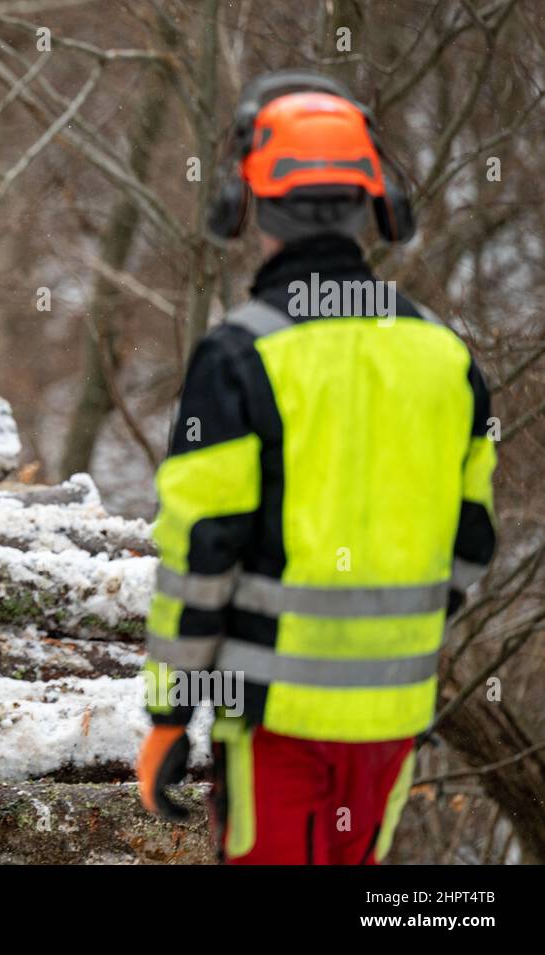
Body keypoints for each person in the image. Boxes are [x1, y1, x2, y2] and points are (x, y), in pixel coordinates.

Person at [135, 71, 497, 864]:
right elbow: (474, 543)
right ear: (376, 206)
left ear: (247, 204)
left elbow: (201, 556)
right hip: (395, 718)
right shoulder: (446, 355)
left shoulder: (240, 355)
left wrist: (171, 713)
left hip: (275, 721)